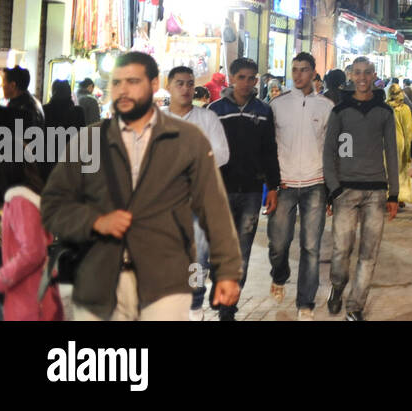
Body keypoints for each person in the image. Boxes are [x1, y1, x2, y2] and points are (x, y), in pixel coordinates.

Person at [41, 51, 242, 321]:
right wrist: (95, 221)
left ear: (154, 85)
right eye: (117, 83)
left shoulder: (188, 139)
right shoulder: (88, 140)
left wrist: (228, 272)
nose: (123, 90)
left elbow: (215, 210)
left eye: (133, 81)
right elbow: (53, 205)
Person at [323, 55, 400, 321]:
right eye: (358, 73)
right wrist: (333, 189)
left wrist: (394, 194)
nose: (363, 77)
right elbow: (329, 152)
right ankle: (337, 286)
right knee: (341, 250)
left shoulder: (385, 112)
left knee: (369, 253)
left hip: (376, 193)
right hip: (345, 191)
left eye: (367, 72)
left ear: (374, 74)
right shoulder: (340, 111)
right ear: (351, 76)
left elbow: (392, 152)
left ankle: (355, 306)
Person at [208, 57, 279, 320]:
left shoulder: (263, 110)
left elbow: (269, 151)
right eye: (242, 78)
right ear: (231, 77)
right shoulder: (214, 110)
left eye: (252, 78)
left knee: (243, 251)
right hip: (220, 190)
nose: (247, 83)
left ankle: (229, 307)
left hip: (251, 191)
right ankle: (218, 284)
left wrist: (273, 186)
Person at [267, 51, 334, 320]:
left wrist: (332, 187)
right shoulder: (277, 105)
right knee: (278, 243)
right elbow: (268, 146)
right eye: (294, 69)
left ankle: (305, 303)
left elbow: (333, 148)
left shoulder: (326, 107)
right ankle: (279, 275)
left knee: (311, 246)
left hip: (315, 183)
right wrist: (270, 181)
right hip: (284, 183)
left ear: (313, 73)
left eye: (303, 69)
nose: (297, 75)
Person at [163, 65, 230, 320]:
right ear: (169, 86)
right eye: (180, 83)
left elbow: (223, 153)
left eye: (190, 83)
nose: (186, 88)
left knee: (198, 255)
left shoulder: (207, 119)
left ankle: (194, 305)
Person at [0, 158, 64, 320]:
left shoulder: (19, 202)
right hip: (35, 300)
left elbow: (33, 250)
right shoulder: (28, 201)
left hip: (29, 304)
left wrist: (1, 278)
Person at [386, 82, 412, 207]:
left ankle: (389, 196)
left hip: (385, 143)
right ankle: (399, 197)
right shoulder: (404, 109)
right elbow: (408, 132)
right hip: (399, 143)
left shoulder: (384, 107)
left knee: (388, 170)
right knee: (401, 172)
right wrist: (410, 153)